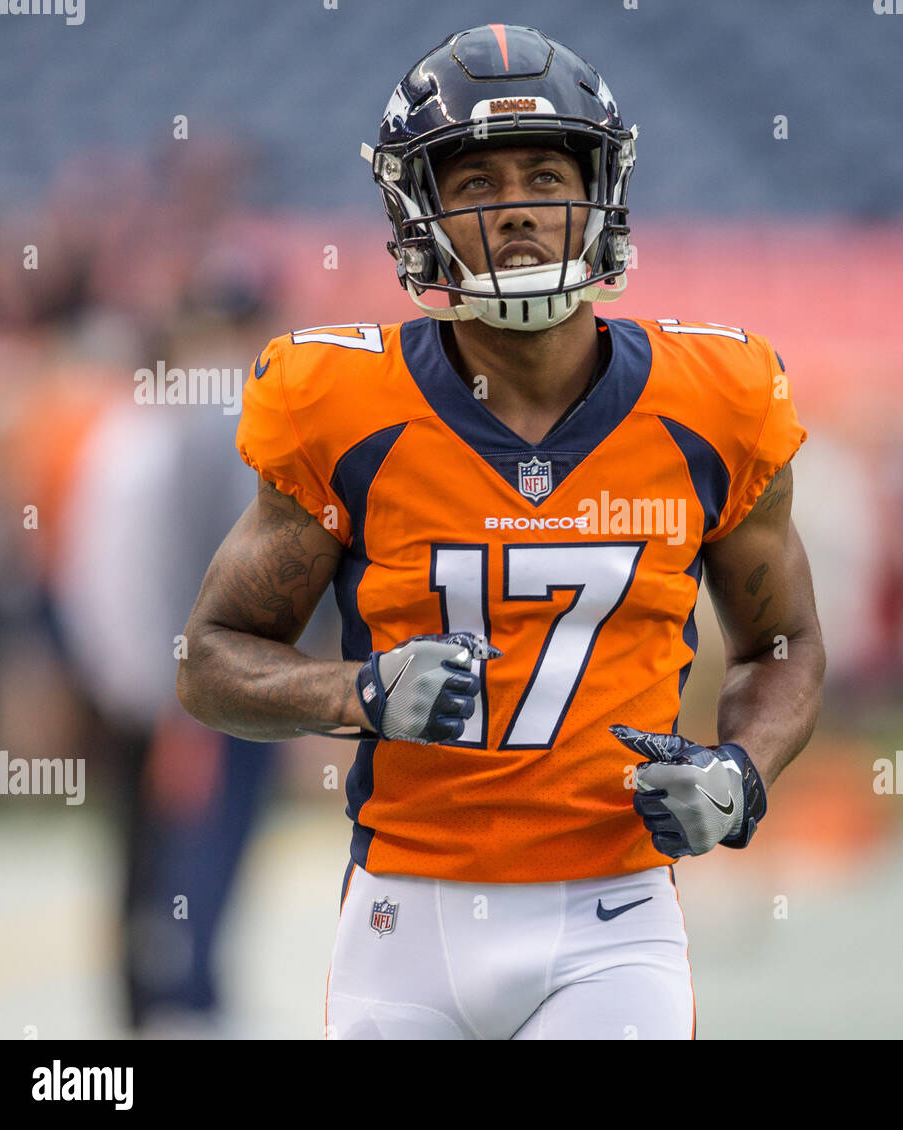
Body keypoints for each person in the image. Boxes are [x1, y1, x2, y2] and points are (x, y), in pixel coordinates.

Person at [176, 23, 824, 1040]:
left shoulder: (717, 401)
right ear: (418, 213)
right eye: (475, 186)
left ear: (598, 190)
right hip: (406, 915)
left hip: (615, 915)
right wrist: (360, 691)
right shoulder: (343, 403)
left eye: (542, 174)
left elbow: (783, 646)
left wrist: (740, 772)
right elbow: (208, 658)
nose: (516, 209)